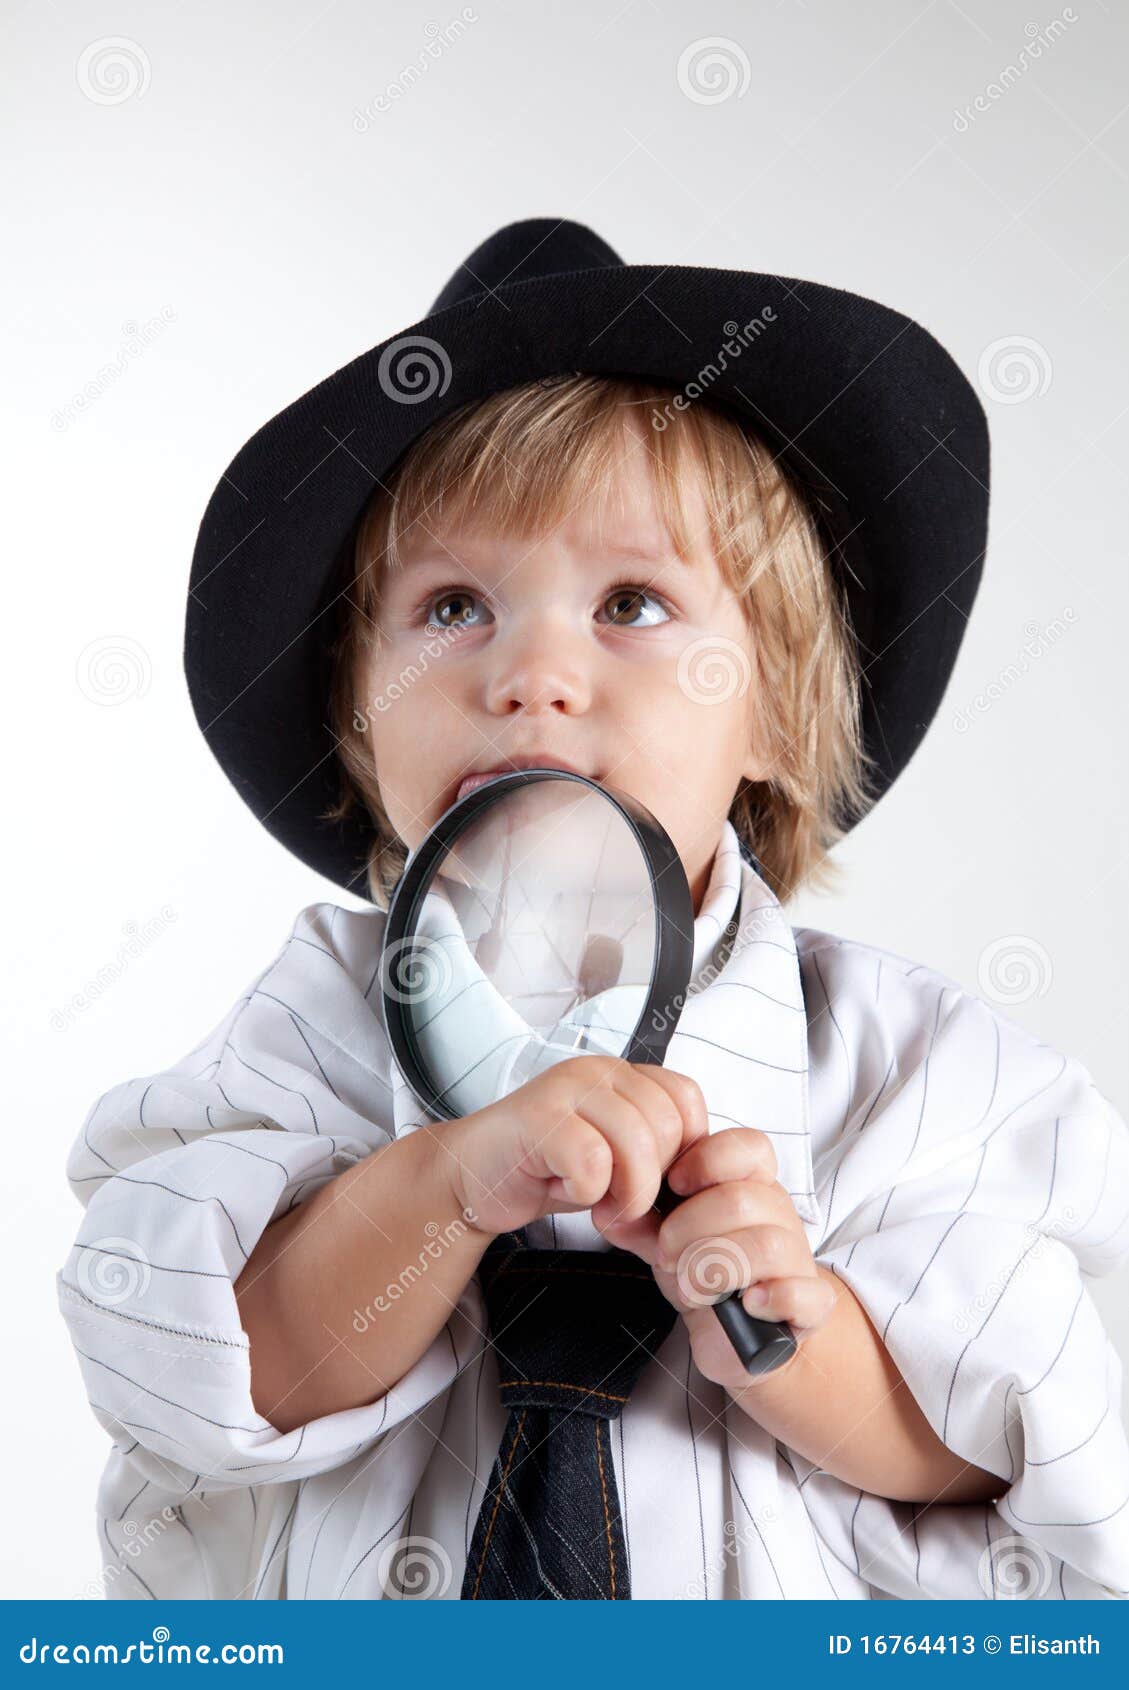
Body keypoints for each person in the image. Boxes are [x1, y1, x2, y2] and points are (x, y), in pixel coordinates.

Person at [57, 220, 1129, 1601]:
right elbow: (194, 1364)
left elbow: (1034, 1432)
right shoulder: (298, 1041)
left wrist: (796, 1338)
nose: (533, 670)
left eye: (630, 601)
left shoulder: (919, 1078)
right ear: (357, 720)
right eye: (451, 607)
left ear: (771, 709)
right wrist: (442, 1187)